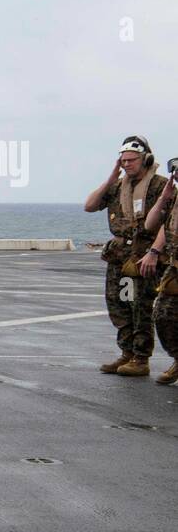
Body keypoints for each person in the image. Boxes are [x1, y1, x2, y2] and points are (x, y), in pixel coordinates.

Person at [85, 136, 168, 377]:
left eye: (131, 160)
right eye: (123, 161)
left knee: (140, 306)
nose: (127, 164)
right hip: (119, 256)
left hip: (144, 255)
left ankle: (141, 358)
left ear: (146, 159)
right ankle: (127, 353)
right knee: (118, 304)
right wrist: (112, 177)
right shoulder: (118, 186)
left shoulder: (159, 186)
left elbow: (168, 220)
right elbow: (89, 206)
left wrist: (155, 252)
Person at [141, 159, 178, 384]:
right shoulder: (174, 199)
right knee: (163, 317)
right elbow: (151, 224)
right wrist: (164, 198)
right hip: (175, 269)